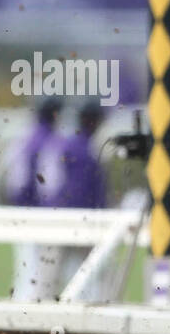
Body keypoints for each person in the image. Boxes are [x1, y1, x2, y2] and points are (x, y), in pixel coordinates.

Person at [36, 100, 110, 300]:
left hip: (55, 217)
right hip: (77, 219)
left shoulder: (64, 143)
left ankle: (37, 320)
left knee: (47, 279)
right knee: (100, 273)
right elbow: (81, 192)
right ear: (92, 121)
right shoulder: (83, 150)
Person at [8, 97, 62, 302]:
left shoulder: (25, 139)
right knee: (37, 271)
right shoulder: (50, 141)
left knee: (27, 268)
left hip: (23, 208)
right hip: (42, 211)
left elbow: (16, 182)